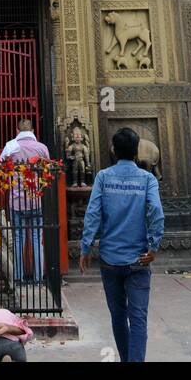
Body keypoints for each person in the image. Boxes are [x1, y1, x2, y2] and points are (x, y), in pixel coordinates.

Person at [79, 126, 164, 363]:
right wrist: (154, 246)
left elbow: (93, 214)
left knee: (118, 315)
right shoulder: (147, 179)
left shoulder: (104, 177)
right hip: (138, 260)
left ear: (114, 151)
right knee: (138, 318)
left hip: (110, 260)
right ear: (137, 151)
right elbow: (156, 212)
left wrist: (86, 248)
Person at [0, 118, 50, 284]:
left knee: (18, 239)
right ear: (33, 130)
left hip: (16, 201)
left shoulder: (10, 147)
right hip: (36, 200)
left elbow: (1, 168)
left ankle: (18, 277)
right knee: (37, 238)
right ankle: (38, 278)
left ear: (17, 130)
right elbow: (47, 172)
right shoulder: (42, 148)